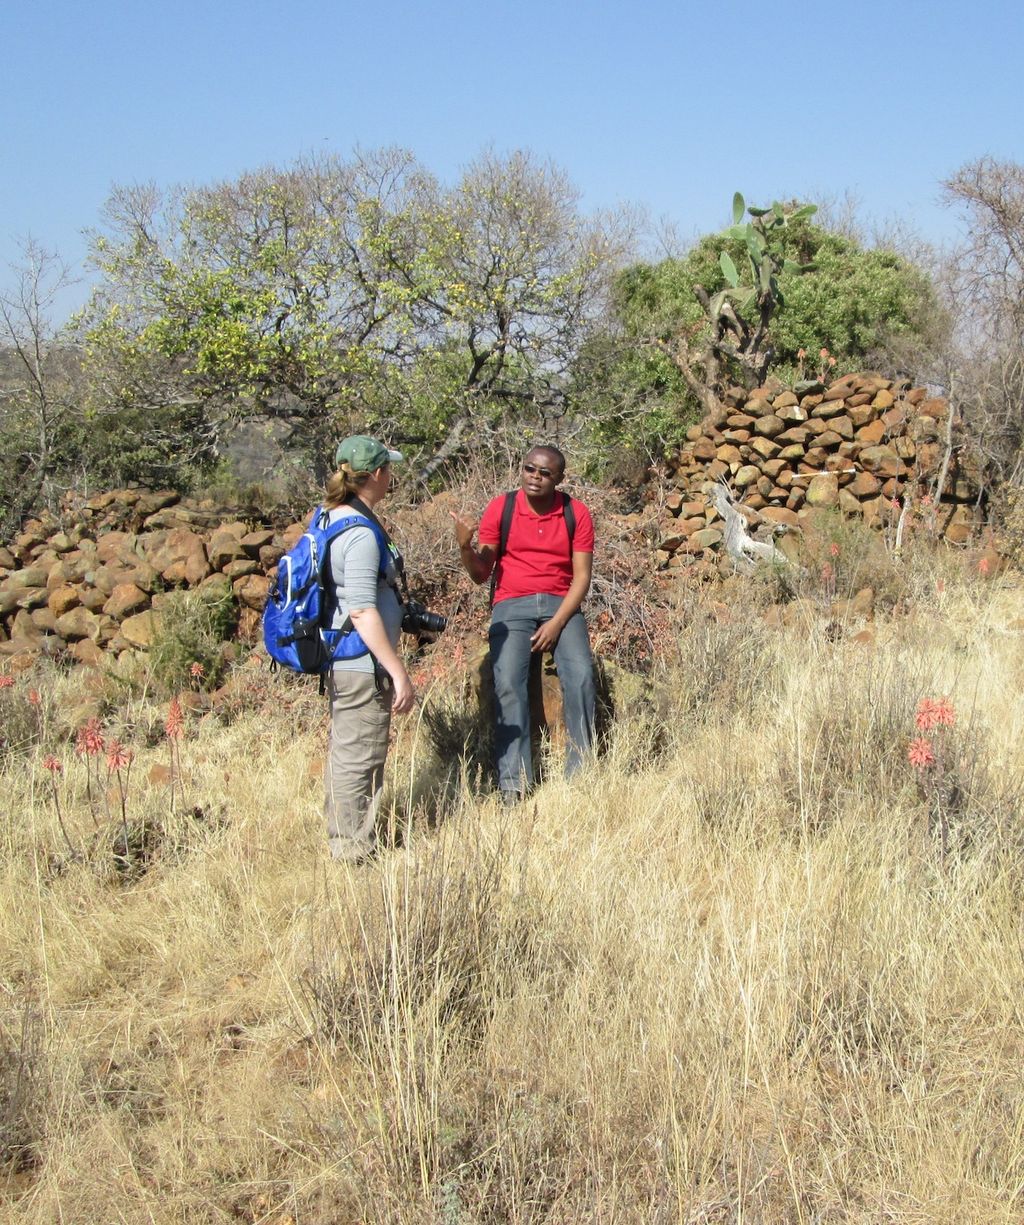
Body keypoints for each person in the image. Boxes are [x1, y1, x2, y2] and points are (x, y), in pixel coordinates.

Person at [452, 445, 596, 802]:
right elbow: (480, 574)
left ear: (559, 478)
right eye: (529, 469)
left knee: (580, 675)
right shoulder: (502, 508)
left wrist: (557, 624)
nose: (535, 477)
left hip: (561, 604)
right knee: (508, 684)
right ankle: (514, 783)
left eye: (545, 473)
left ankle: (581, 774)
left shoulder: (575, 513)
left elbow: (581, 578)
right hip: (512, 603)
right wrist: (465, 547)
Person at [322, 435, 416, 861]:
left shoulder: (328, 518)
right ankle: (350, 849)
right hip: (360, 662)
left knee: (350, 751)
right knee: (360, 757)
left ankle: (348, 840)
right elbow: (361, 609)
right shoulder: (359, 533)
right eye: (388, 470)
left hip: (342, 657)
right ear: (377, 475)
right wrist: (396, 670)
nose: (390, 477)